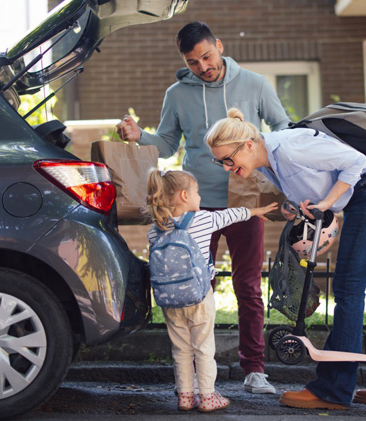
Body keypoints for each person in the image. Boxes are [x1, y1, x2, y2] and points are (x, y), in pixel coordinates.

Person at [204, 108, 366, 409]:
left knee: (347, 288)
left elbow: (356, 162)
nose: (227, 167)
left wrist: (327, 204)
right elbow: (313, 182)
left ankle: (333, 389)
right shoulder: (267, 163)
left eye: (229, 159)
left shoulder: (291, 146)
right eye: (220, 161)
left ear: (249, 145)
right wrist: (294, 207)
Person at [116, 21, 290, 394]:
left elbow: (283, 126)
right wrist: (138, 136)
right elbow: (165, 144)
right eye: (193, 62)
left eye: (207, 57)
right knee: (195, 288)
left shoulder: (255, 84)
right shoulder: (177, 94)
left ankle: (254, 369)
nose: (203, 66)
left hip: (244, 200)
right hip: (193, 205)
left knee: (247, 286)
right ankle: (196, 369)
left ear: (220, 47)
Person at [145, 169, 278, 412]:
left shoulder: (155, 229)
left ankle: (185, 396)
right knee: (203, 347)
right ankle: (207, 396)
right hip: (199, 295)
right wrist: (255, 211)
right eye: (197, 192)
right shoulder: (203, 219)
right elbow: (230, 215)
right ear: (185, 195)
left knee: (181, 349)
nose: (200, 197)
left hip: (170, 300)